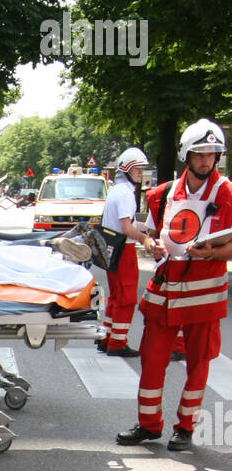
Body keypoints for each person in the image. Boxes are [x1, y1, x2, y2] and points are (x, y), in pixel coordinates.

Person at [117, 120, 232, 452]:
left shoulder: (226, 193)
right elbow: (152, 235)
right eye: (200, 153)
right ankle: (148, 424)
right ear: (186, 155)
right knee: (152, 360)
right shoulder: (162, 194)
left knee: (199, 363)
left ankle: (185, 427)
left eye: (213, 154)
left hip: (205, 293)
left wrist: (212, 251)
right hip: (165, 292)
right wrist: (151, 245)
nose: (206, 160)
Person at [96, 147, 149, 357]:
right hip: (124, 249)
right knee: (126, 297)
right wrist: (145, 238)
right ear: (126, 169)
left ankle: (107, 338)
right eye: (136, 168)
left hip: (110, 248)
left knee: (116, 296)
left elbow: (125, 223)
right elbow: (127, 228)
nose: (139, 172)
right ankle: (118, 343)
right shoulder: (127, 193)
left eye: (141, 168)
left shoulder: (115, 191)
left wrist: (142, 226)